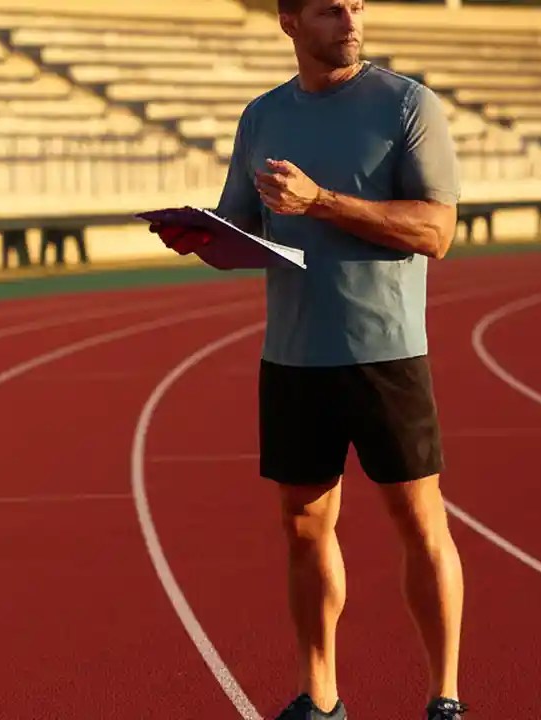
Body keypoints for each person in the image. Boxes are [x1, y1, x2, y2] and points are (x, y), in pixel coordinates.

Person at [149, 1, 467, 718]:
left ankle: (444, 696)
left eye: (356, 5)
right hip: (293, 356)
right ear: (291, 21)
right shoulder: (262, 116)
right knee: (302, 524)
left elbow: (437, 232)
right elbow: (244, 223)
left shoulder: (407, 105)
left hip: (387, 351)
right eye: (330, 9)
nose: (350, 20)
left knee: (419, 519)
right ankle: (320, 697)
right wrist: (203, 239)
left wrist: (322, 201)